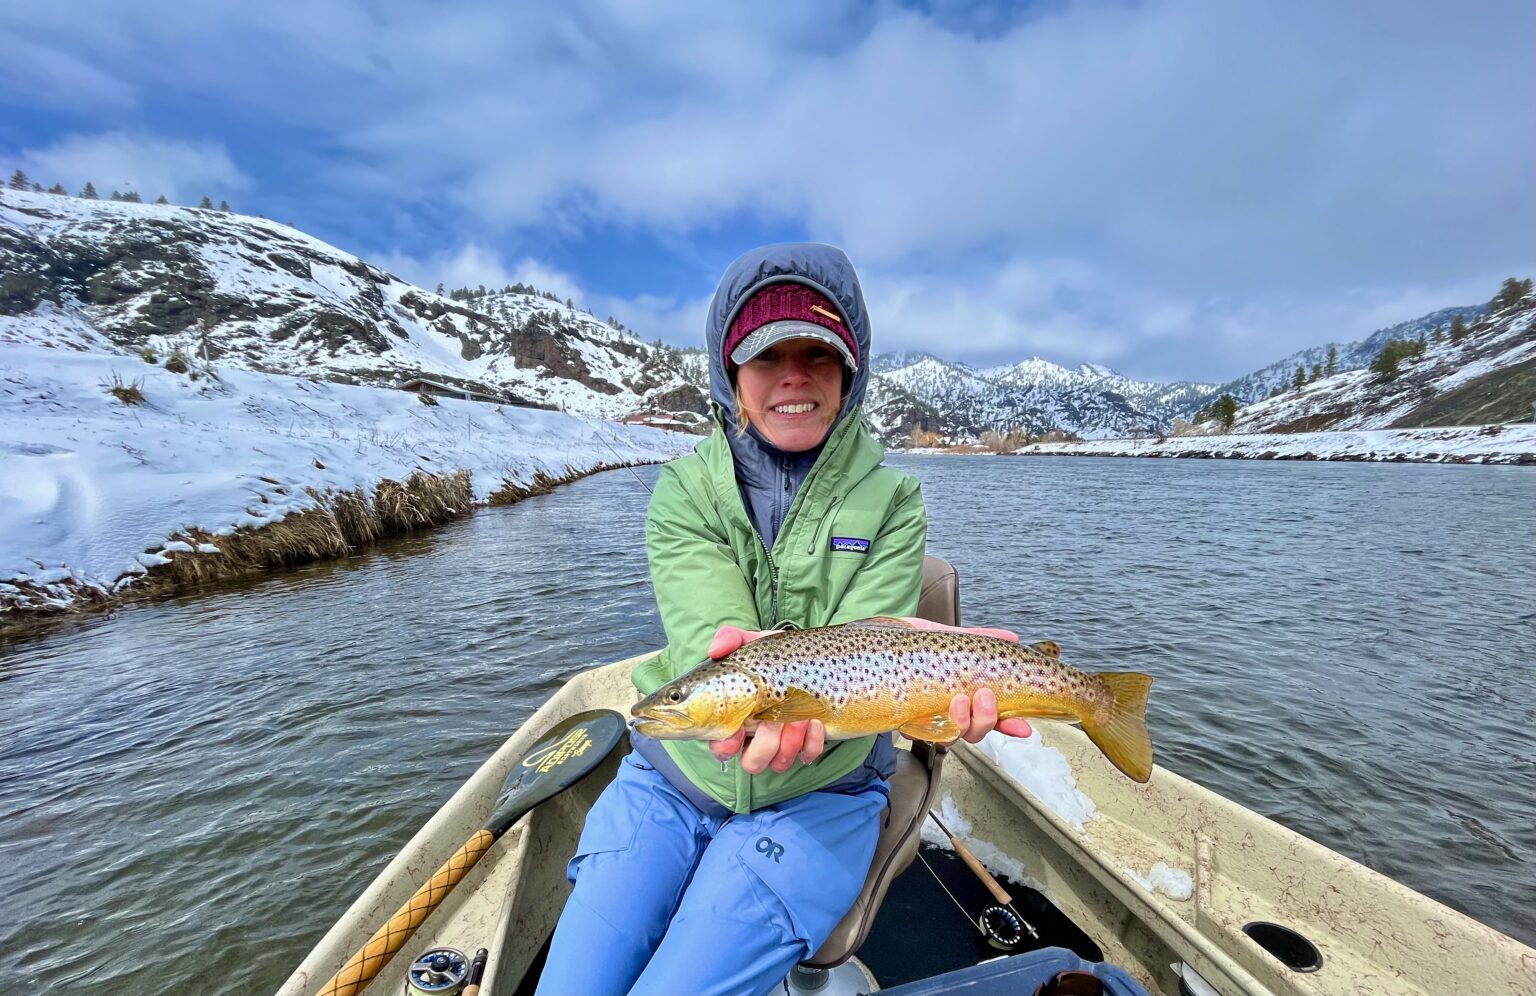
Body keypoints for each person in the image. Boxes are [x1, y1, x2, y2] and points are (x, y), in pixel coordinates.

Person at [536, 243, 1032, 996]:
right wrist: (740, 669)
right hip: (671, 779)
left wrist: (927, 679)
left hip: (823, 792)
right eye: (768, 357)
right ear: (729, 374)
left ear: (849, 374)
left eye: (818, 355)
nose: (794, 376)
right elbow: (718, 633)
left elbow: (869, 637)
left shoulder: (894, 503)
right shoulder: (683, 491)